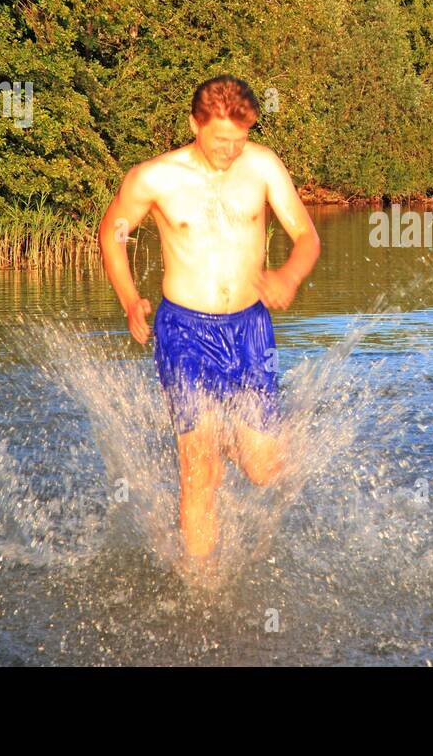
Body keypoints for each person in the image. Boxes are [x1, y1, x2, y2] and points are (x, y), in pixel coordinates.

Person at [98, 75, 320, 567]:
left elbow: (306, 234)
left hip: (249, 329)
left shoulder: (261, 166)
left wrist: (289, 275)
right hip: (183, 332)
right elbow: (112, 233)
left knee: (264, 468)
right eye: (221, 139)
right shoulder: (155, 177)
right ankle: (202, 591)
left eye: (240, 139)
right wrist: (130, 299)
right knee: (199, 470)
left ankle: (226, 434)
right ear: (194, 123)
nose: (230, 150)